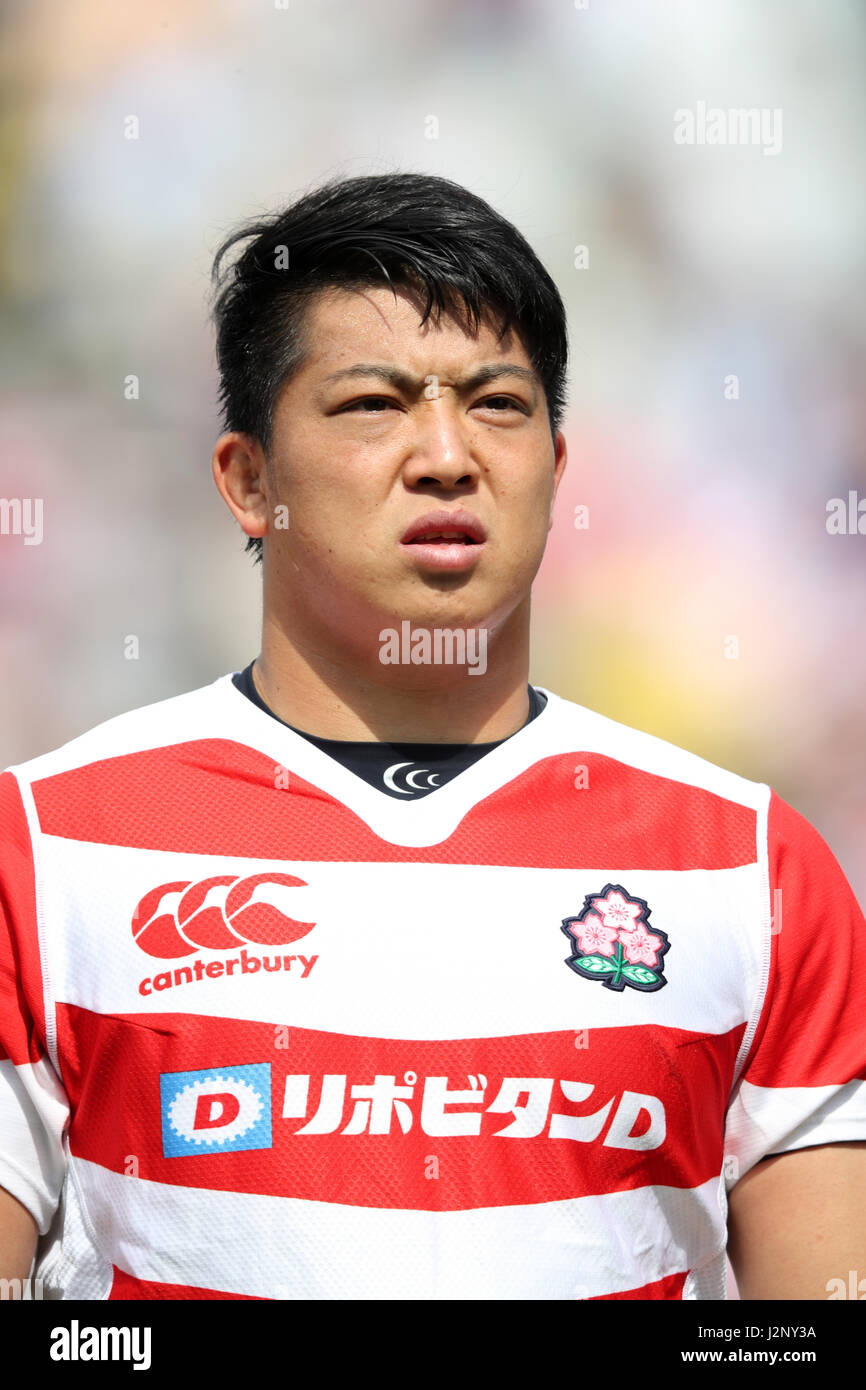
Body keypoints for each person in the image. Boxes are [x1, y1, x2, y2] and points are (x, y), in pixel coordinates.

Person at [1, 172, 863, 1300]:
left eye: (497, 404)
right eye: (373, 403)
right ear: (249, 480)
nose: (447, 455)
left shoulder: (750, 865)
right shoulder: (47, 846)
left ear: (556, 474)